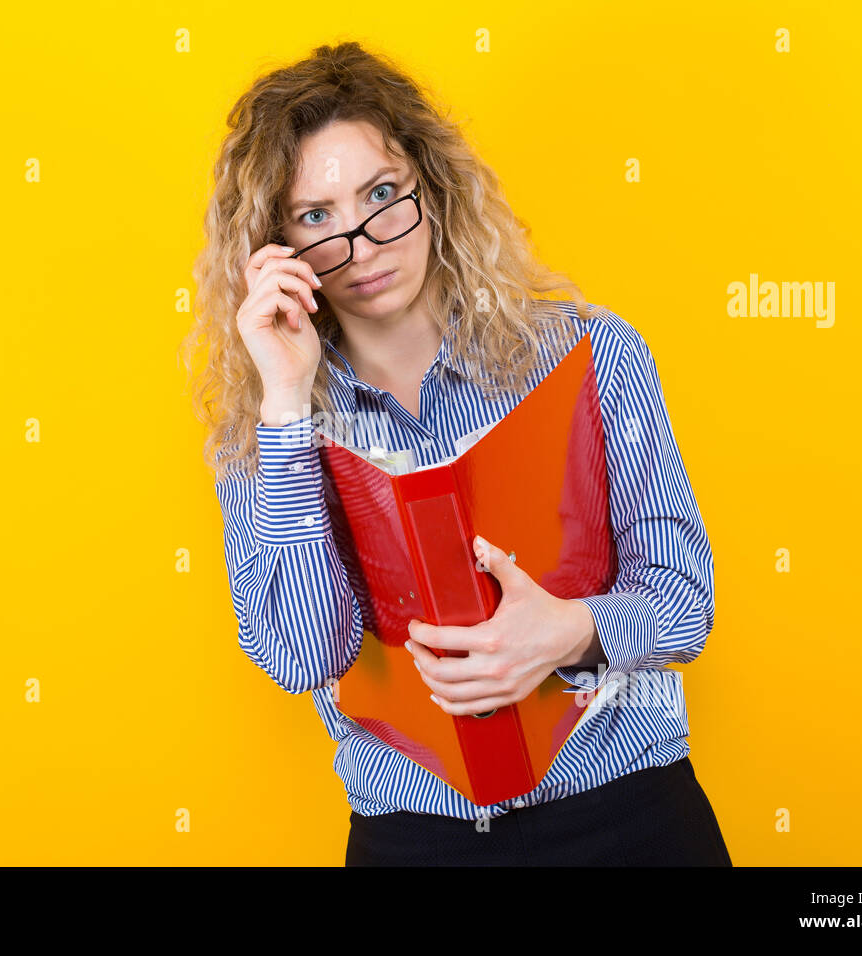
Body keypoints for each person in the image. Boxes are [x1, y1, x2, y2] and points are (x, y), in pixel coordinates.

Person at [180, 41, 732, 866]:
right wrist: (289, 406)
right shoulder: (265, 429)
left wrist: (569, 630)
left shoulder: (590, 353)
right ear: (275, 245)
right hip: (417, 842)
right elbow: (305, 656)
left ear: (430, 190)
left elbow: (686, 604)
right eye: (316, 217)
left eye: (380, 195)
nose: (360, 247)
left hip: (629, 817)